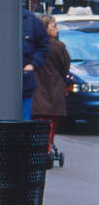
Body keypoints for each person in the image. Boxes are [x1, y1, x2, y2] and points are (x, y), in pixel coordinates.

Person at [30, 14, 69, 164]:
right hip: (53, 91)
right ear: (46, 28)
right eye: (54, 26)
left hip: (36, 92)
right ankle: (47, 147)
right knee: (51, 124)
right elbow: (65, 66)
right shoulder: (58, 47)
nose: (57, 29)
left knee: (37, 122)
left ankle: (38, 148)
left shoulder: (33, 46)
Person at [22, 8, 50, 120]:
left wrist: (33, 64)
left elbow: (43, 45)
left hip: (24, 86)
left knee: (22, 124)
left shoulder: (31, 20)